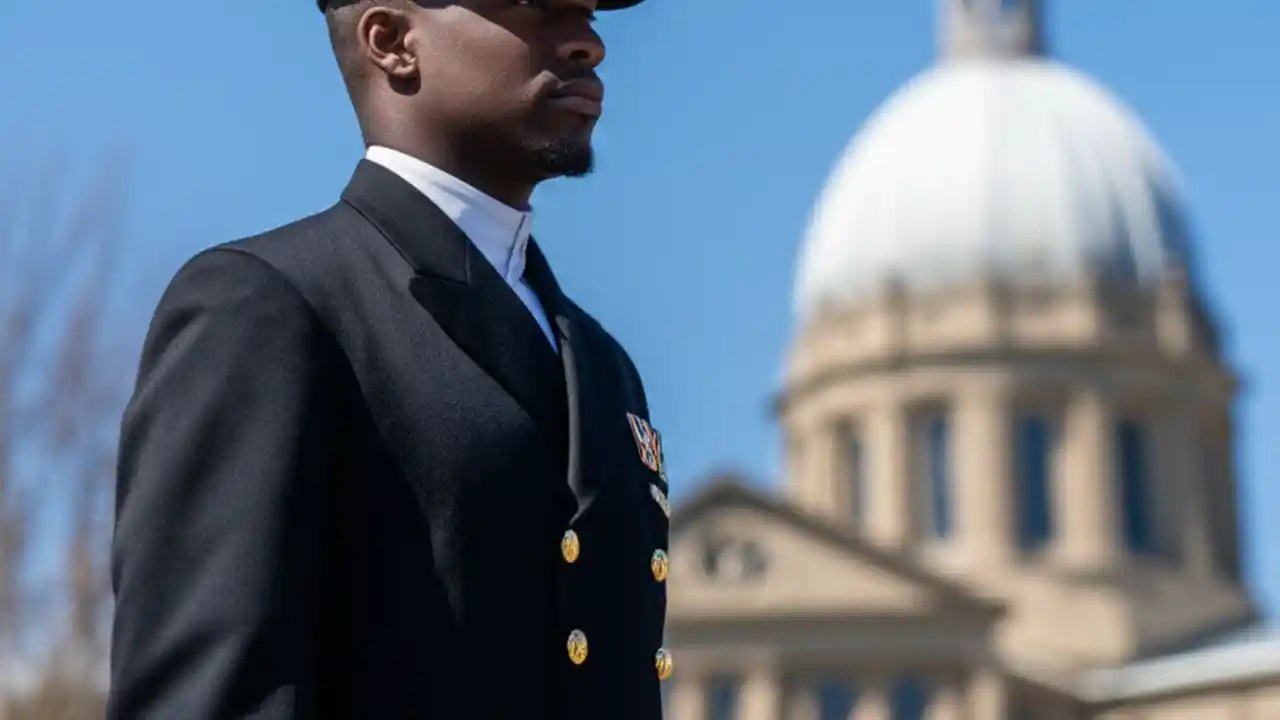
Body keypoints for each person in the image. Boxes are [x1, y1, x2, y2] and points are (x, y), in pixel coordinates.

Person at [107, 0, 672, 717]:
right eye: (539, 8)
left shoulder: (600, 362)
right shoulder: (272, 305)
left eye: (587, 14)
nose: (587, 44)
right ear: (393, 41)